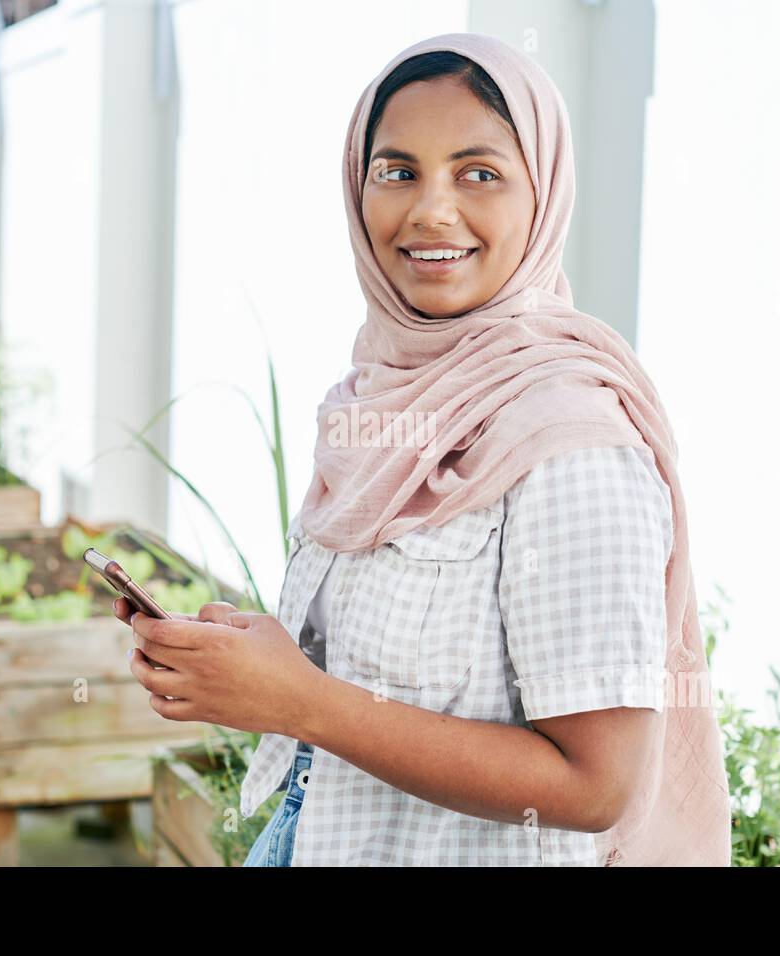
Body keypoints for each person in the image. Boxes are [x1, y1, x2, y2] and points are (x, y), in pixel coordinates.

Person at [117, 33, 731, 866]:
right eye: (398, 171)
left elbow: (596, 787)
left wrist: (305, 703)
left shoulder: (569, 442)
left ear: (542, 192)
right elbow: (377, 683)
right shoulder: (376, 393)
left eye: (479, 173)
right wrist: (251, 670)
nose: (431, 210)